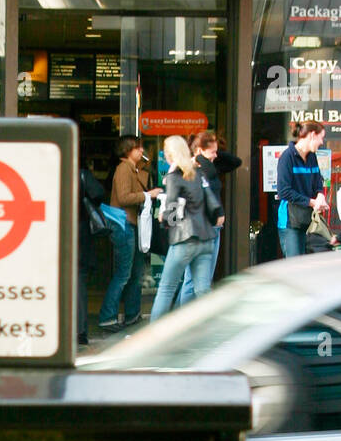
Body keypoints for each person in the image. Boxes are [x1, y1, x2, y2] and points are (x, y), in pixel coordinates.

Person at [148, 135, 224, 323]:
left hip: (184, 239)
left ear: (169, 155)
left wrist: (163, 219)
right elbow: (215, 208)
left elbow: (171, 211)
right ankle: (211, 332)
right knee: (203, 290)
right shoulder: (199, 174)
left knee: (166, 288)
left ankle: (154, 335)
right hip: (206, 239)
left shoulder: (174, 177)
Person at [98, 135, 160, 333]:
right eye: (138, 148)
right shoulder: (123, 169)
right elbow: (124, 197)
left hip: (131, 225)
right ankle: (107, 317)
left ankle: (132, 315)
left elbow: (138, 184)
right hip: (124, 225)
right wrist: (147, 195)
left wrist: (143, 167)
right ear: (127, 150)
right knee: (123, 274)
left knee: (135, 274)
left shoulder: (133, 169)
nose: (142, 151)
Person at [180, 129, 243, 305]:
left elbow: (236, 162)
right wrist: (200, 157)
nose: (215, 156)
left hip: (213, 228)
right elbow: (210, 173)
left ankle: (189, 319)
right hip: (199, 228)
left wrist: (213, 151)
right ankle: (184, 319)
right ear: (199, 150)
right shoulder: (191, 168)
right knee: (193, 280)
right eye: (212, 152)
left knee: (202, 278)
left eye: (216, 152)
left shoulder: (211, 164)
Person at [276, 121, 327, 258]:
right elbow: (284, 192)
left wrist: (320, 195)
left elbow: (317, 182)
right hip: (290, 223)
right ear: (311, 135)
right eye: (320, 137)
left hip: (307, 220)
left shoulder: (312, 157)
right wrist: (312, 202)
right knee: (294, 266)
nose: (321, 142)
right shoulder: (287, 157)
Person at [77, 162, 108, 346]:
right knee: (78, 282)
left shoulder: (47, 171)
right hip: (78, 234)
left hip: (51, 234)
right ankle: (79, 331)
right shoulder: (81, 173)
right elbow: (98, 194)